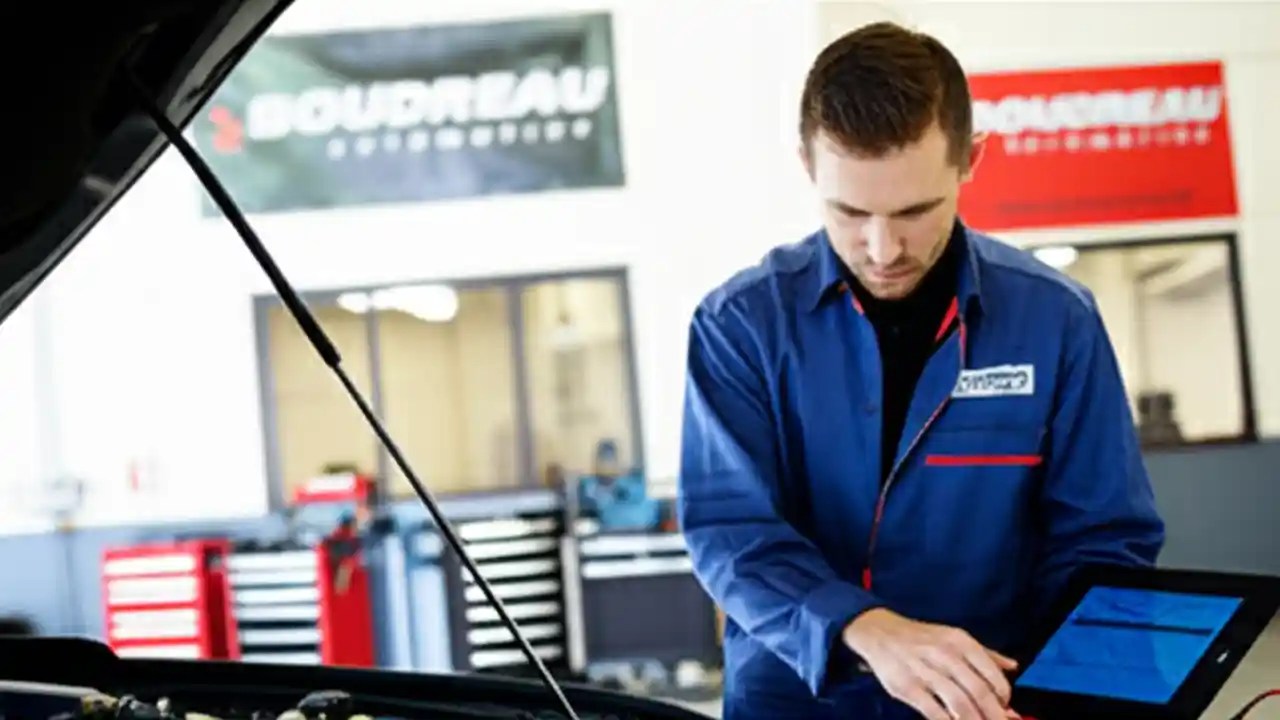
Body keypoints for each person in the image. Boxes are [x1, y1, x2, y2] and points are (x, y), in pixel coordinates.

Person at [676, 20, 1165, 720]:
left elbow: (1101, 541)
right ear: (808, 165)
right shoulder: (738, 327)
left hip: (995, 703)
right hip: (797, 704)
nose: (882, 249)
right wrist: (868, 628)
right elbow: (732, 532)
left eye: (915, 211)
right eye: (849, 211)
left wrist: (1068, 687)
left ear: (971, 159)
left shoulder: (1056, 321)